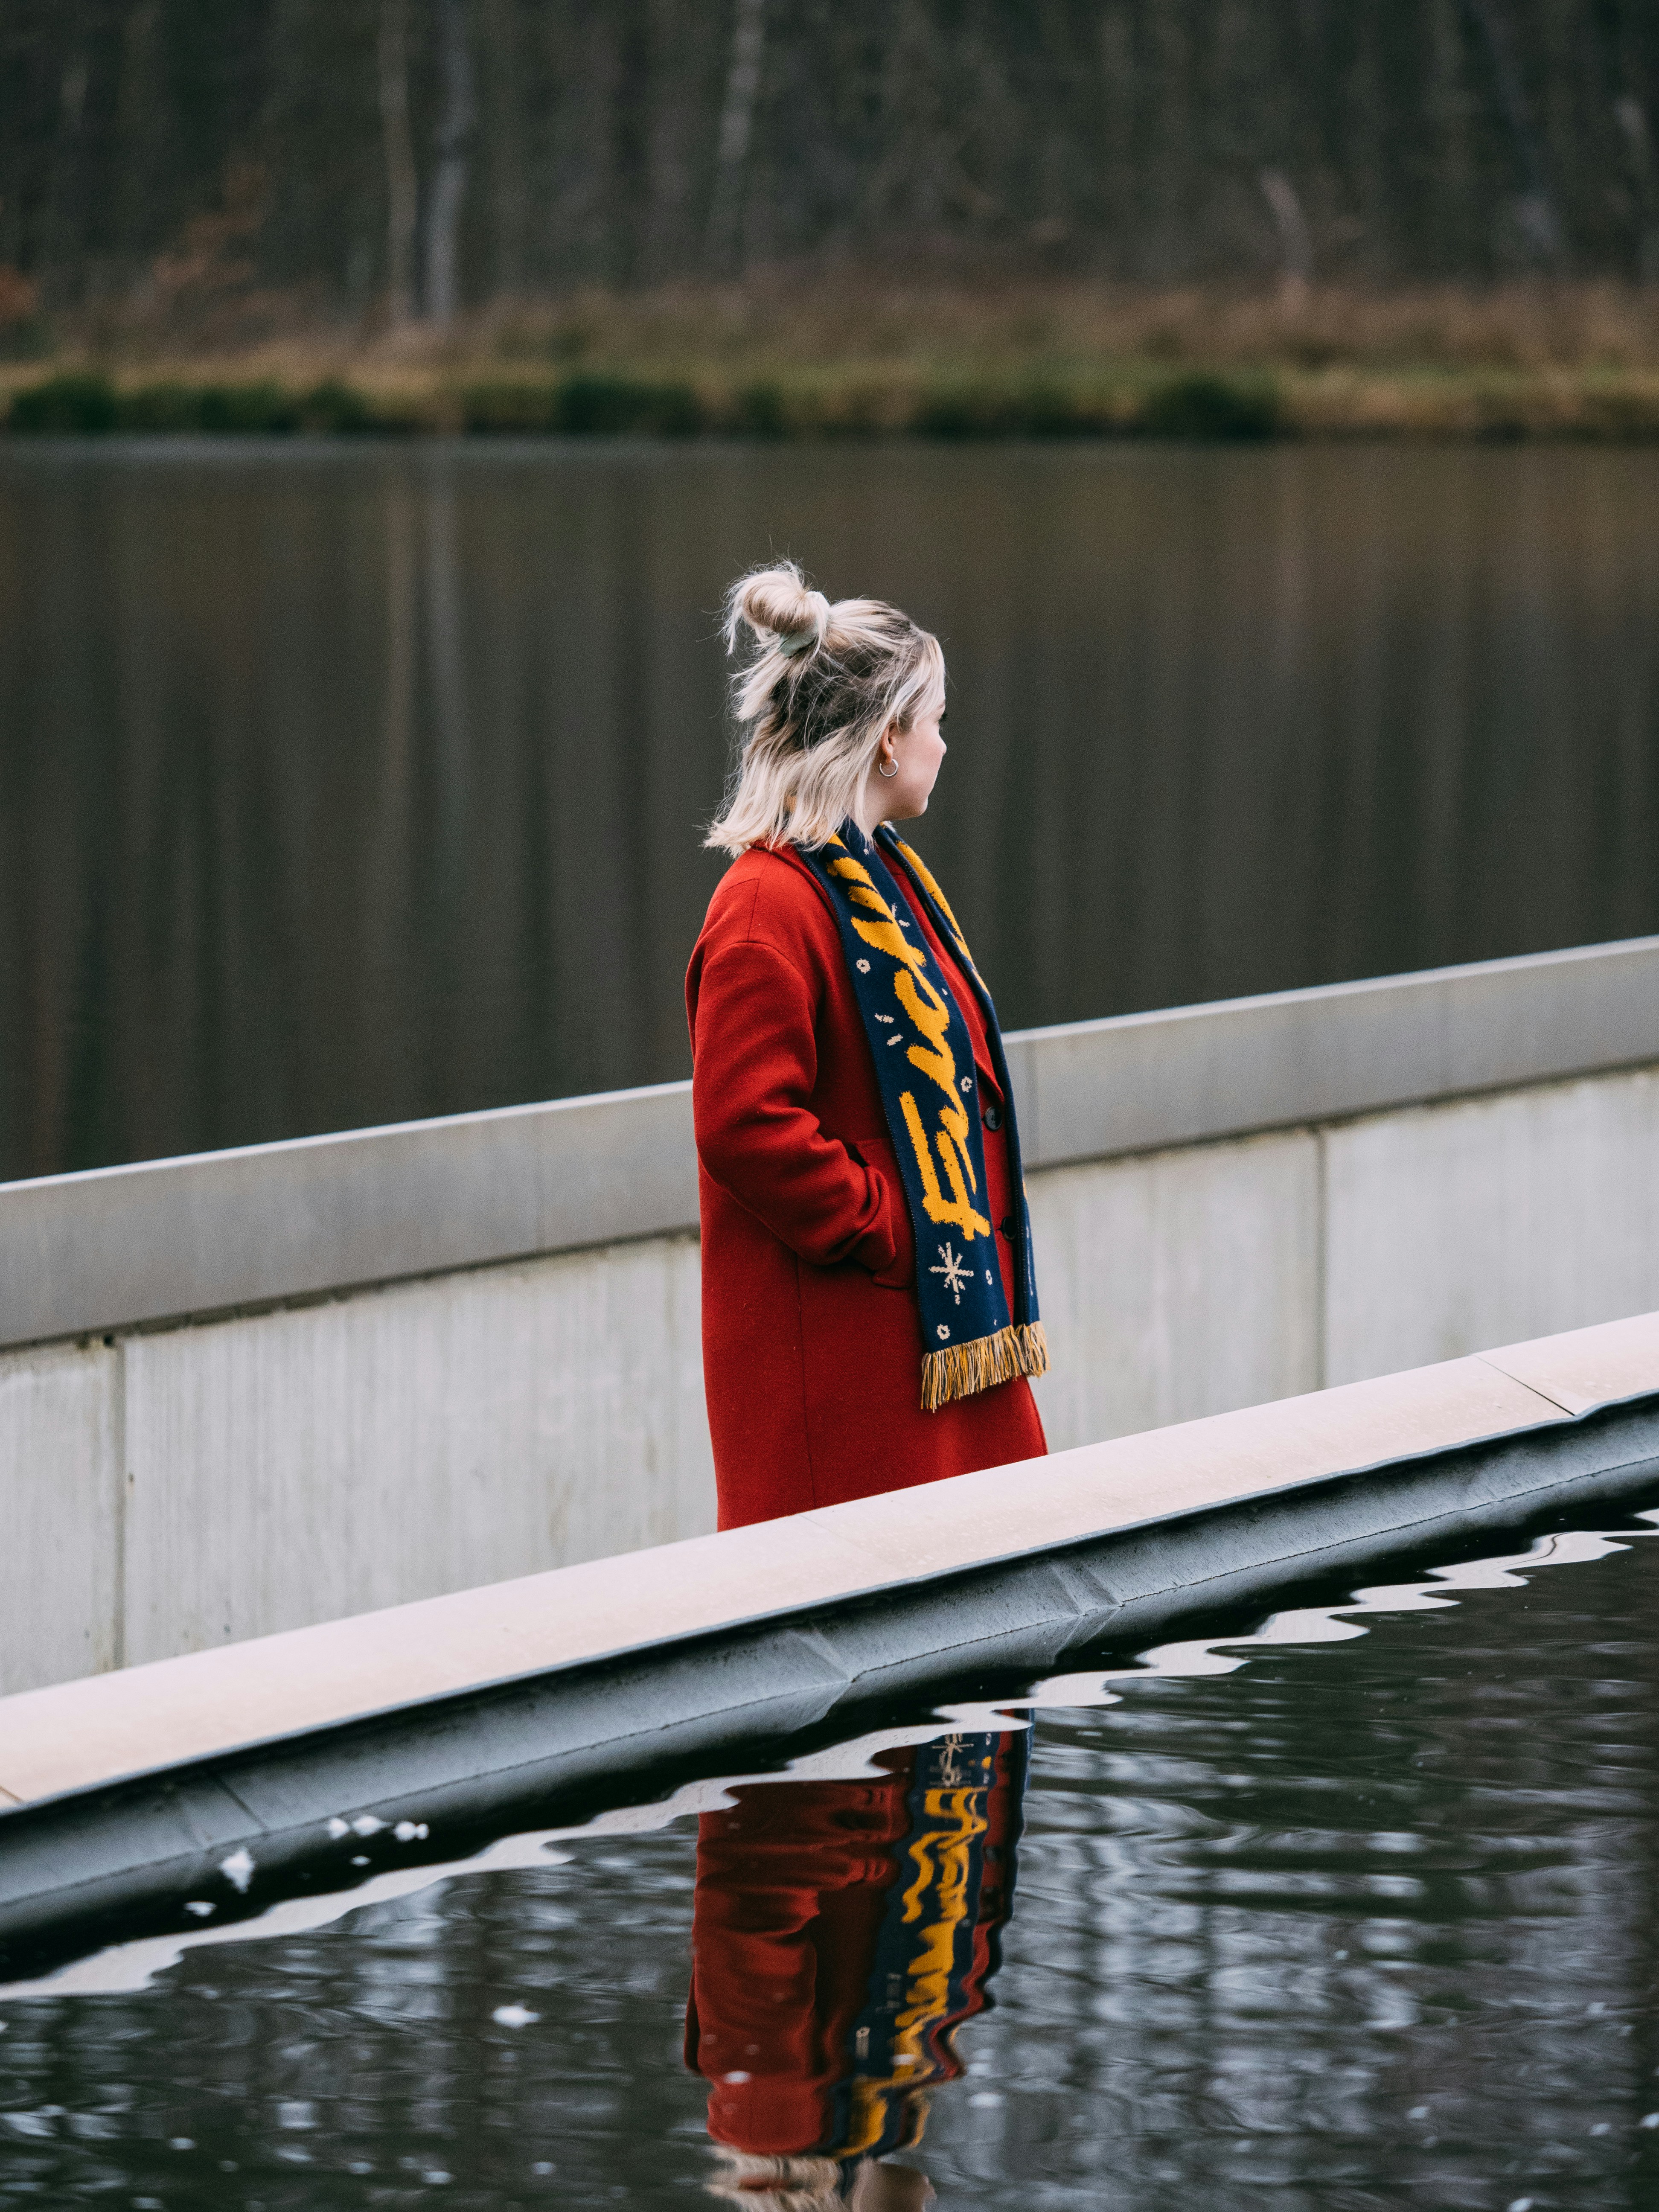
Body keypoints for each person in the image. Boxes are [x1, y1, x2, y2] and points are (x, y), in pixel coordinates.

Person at [686, 563, 1049, 1528]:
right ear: (888, 737)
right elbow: (744, 1126)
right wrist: (889, 1225)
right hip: (846, 1356)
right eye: (932, 716)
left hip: (929, 1331)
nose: (943, 738)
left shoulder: (882, 881)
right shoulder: (766, 902)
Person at [687, 1731, 1029, 2208]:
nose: (930, 2201)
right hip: (947, 1724)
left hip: (895, 1727)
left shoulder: (779, 2100)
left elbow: (754, 1896)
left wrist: (876, 1801)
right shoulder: (890, 2087)